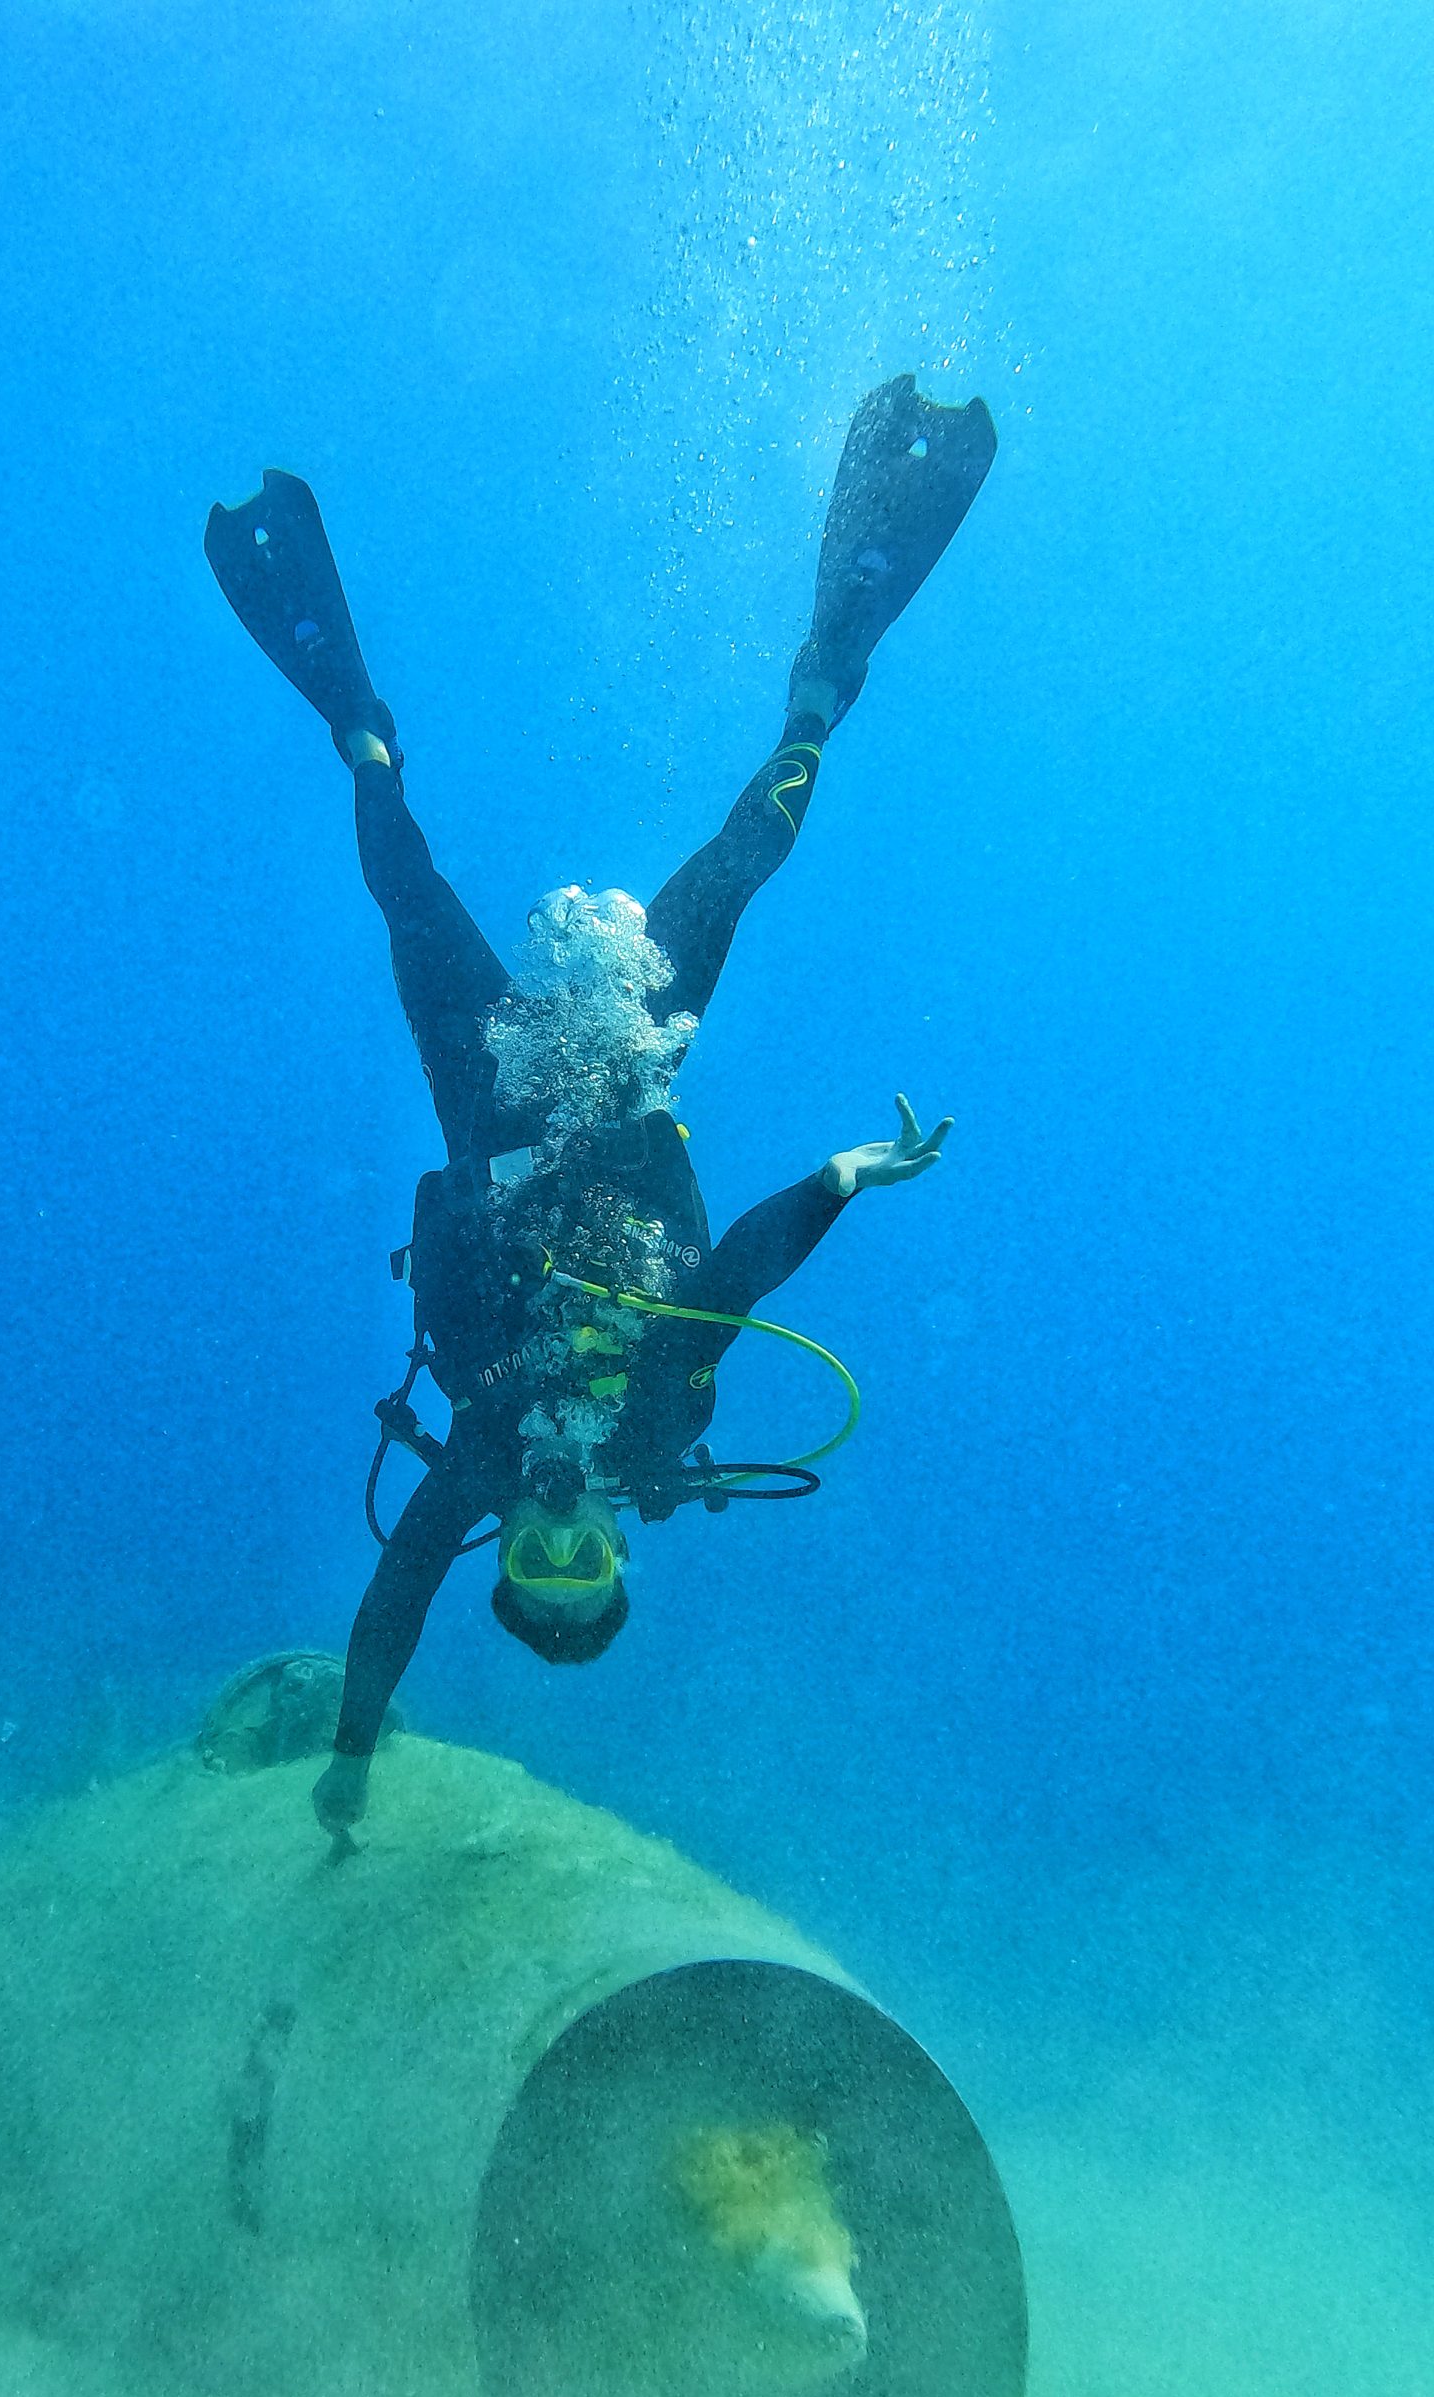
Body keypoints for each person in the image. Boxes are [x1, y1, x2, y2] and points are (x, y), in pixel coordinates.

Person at [205, 376, 996, 1846]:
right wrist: (840, 1174)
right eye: (588, 1566)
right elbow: (735, 1277)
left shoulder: (478, 1463)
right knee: (738, 872)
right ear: (621, 1555)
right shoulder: (656, 1423)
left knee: (401, 882)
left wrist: (355, 1753)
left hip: (495, 1102)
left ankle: (359, 727)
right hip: (626, 1078)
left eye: (536, 1567)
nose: (561, 1538)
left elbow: (396, 1590)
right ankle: (824, 688)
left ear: (506, 1550)